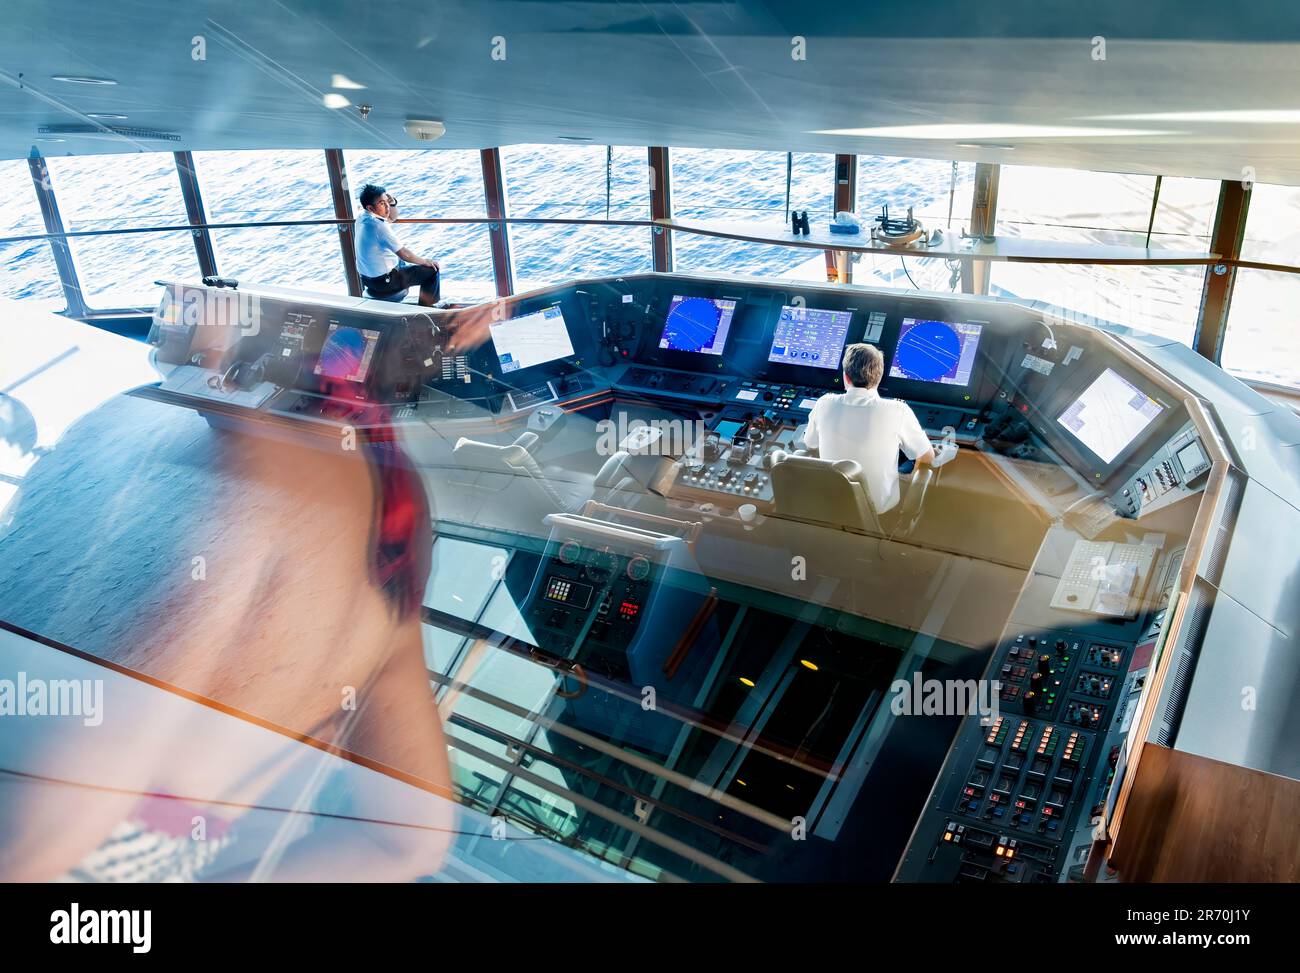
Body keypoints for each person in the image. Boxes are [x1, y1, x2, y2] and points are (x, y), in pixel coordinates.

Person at [802, 342, 935, 514]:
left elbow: (810, 444)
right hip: (879, 515)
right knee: (906, 466)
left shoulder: (824, 403)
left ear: (846, 377)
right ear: (879, 377)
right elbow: (927, 457)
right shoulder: (898, 410)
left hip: (830, 509)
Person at [355, 183, 441, 306]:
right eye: (382, 203)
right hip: (384, 282)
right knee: (432, 270)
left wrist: (393, 203)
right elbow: (404, 254)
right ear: (370, 208)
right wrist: (425, 261)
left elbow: (393, 217)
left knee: (401, 262)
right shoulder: (378, 226)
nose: (387, 207)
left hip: (367, 279)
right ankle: (426, 309)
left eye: (387, 202)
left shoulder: (362, 217)